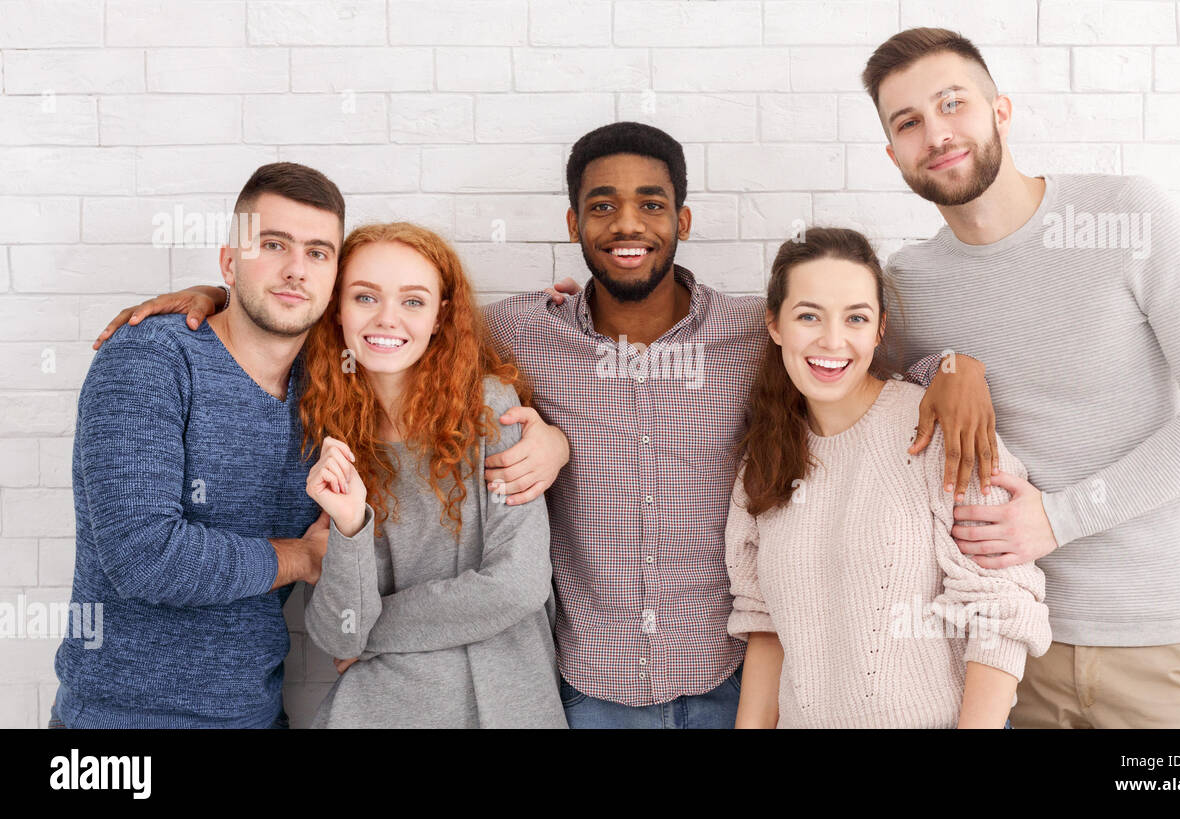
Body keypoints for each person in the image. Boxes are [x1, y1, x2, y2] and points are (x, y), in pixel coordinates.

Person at [96, 123, 997, 730]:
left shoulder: (744, 331)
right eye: (602, 205)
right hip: (589, 689)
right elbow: (393, 335)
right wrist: (221, 305)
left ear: (683, 219)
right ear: (573, 223)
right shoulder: (522, 332)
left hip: (728, 680)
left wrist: (952, 366)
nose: (628, 223)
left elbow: (842, 355)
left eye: (651, 203)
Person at [861, 27, 1180, 727]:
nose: (937, 133)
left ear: (1000, 111)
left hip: (1157, 644)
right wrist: (950, 364)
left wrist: (1057, 516)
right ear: (893, 154)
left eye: (953, 103)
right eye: (909, 122)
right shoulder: (906, 284)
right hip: (1011, 655)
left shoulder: (1126, 214)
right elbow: (868, 405)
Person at [50, 162, 344, 728]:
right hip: (120, 728)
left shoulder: (330, 385)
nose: (294, 270)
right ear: (230, 260)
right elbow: (144, 555)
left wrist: (552, 439)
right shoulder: (150, 359)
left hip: (254, 716)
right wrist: (301, 557)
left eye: (317, 253)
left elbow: (429, 342)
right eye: (273, 244)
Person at [727, 226, 1051, 729]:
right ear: (774, 325)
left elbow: (1000, 610)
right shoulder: (764, 460)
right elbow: (763, 623)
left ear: (879, 330)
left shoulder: (940, 431)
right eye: (808, 315)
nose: (832, 340)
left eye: (855, 318)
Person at [300, 222, 566, 728]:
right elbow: (337, 636)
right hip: (376, 710)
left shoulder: (491, 410)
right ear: (336, 308)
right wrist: (351, 526)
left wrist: (373, 632)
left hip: (502, 704)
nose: (387, 319)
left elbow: (517, 585)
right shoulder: (331, 436)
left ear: (442, 316)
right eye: (365, 297)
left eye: (414, 301)